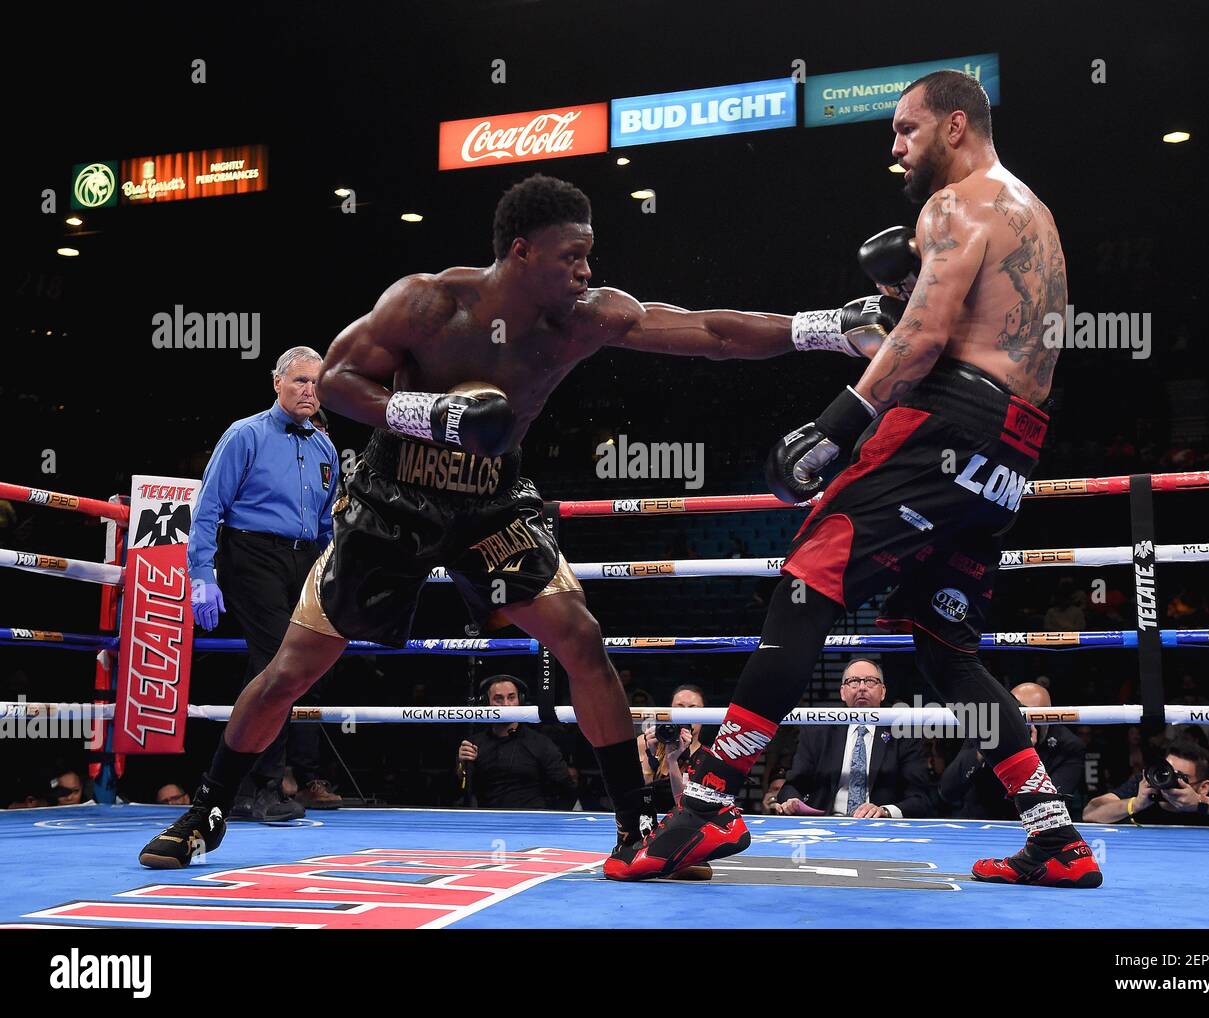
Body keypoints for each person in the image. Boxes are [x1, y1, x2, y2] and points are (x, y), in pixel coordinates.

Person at [140, 172, 893, 869]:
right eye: (572, 257)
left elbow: (708, 332)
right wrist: (432, 415)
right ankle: (207, 808)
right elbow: (335, 379)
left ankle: (633, 827)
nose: (586, 273)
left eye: (590, 257)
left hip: (493, 502)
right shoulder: (427, 303)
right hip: (392, 497)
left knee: (582, 637)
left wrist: (826, 327)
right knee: (291, 671)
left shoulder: (584, 319)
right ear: (522, 252)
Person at [613, 70, 1103, 888]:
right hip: (1012, 449)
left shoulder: (953, 204)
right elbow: (1003, 336)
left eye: (906, 130)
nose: (895, 146)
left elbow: (922, 337)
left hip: (946, 425)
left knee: (808, 578)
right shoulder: (1035, 213)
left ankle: (705, 808)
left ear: (954, 125)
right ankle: (1055, 835)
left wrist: (836, 425)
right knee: (947, 645)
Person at [187, 346, 342, 820]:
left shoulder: (324, 448)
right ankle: (262, 786)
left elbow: (326, 525)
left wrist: (332, 571)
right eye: (299, 381)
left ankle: (234, 786)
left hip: (303, 561)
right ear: (277, 383)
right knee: (277, 662)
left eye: (317, 383)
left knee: (291, 668)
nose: (309, 391)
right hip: (250, 556)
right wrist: (200, 574)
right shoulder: (245, 435)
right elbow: (209, 506)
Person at [771, 657, 932, 817]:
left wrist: (885, 811)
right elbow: (793, 786)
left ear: (883, 691)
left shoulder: (903, 731)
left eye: (870, 681)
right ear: (842, 692)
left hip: (880, 827)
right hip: (826, 826)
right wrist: (791, 801)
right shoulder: (818, 731)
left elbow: (920, 798)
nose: (861, 687)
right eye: (853, 681)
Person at [939, 681, 1084, 819]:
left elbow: (1049, 806)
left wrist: (1023, 756)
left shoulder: (1068, 745)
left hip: (1031, 827)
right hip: (981, 821)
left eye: (1030, 718)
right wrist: (984, 751)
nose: (1023, 725)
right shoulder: (988, 731)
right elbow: (947, 792)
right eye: (1016, 715)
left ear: (1048, 719)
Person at [1082, 741, 1209, 830]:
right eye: (1167, 771)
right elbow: (1090, 813)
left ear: (1203, 786)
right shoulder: (1147, 786)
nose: (1168, 781)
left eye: (1181, 777)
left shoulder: (1208, 796)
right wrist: (1136, 803)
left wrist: (1201, 803)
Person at [455, 676, 575, 809]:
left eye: (511, 697)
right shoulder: (474, 744)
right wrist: (462, 766)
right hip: (489, 823)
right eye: (498, 699)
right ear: (486, 703)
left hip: (532, 823)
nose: (506, 704)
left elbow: (567, 789)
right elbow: (461, 792)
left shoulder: (541, 744)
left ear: (520, 700)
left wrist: (547, 823)